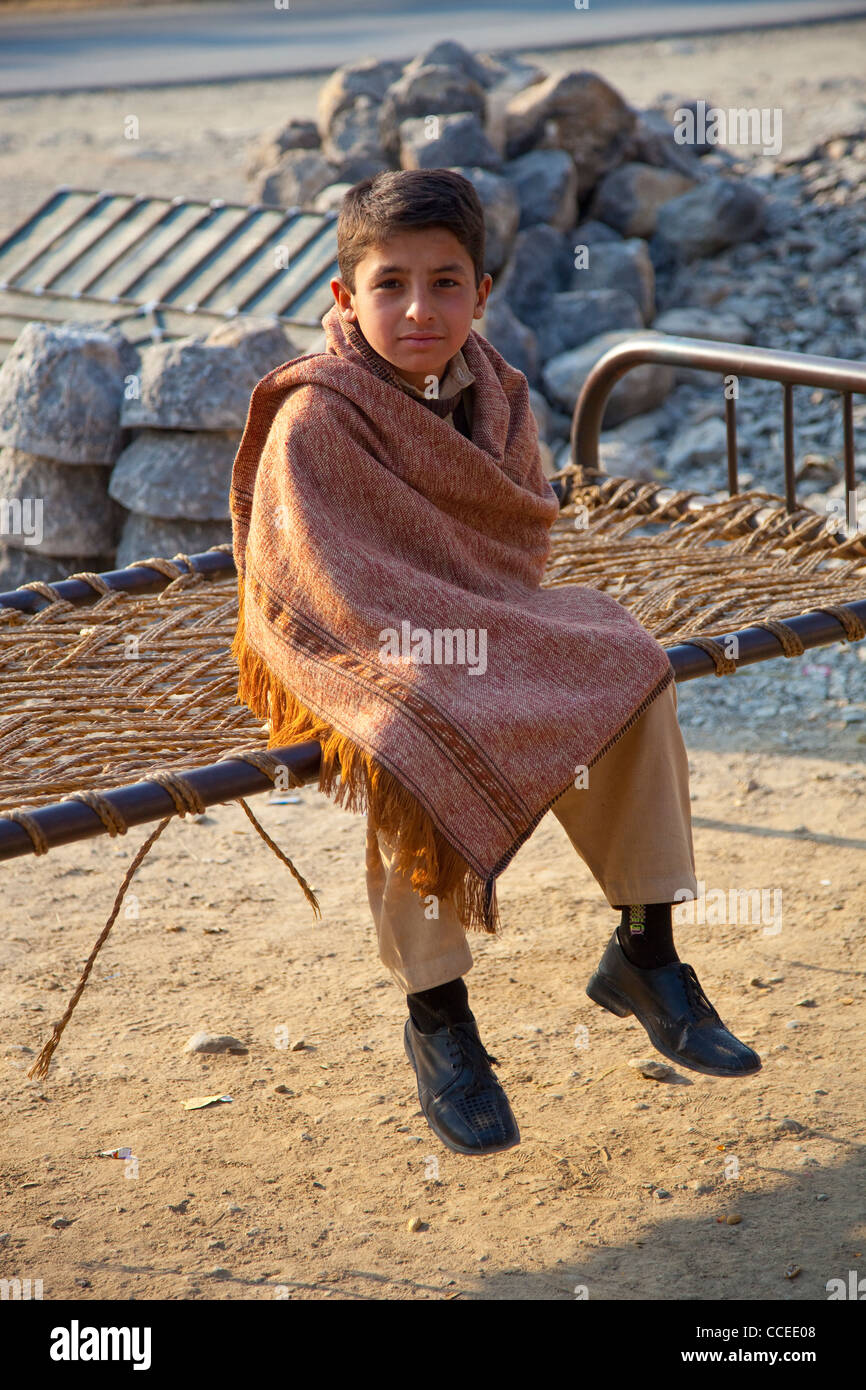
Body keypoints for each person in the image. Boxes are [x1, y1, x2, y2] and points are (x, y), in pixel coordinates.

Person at [230, 168, 761, 1161]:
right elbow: (321, 577)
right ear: (344, 298)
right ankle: (437, 1017)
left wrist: (478, 624)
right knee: (404, 722)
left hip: (478, 617)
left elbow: (513, 543)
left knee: (627, 656)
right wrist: (437, 641)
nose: (417, 308)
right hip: (353, 637)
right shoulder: (317, 419)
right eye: (389, 284)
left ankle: (645, 954)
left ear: (481, 293)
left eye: (444, 283)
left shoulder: (496, 392)